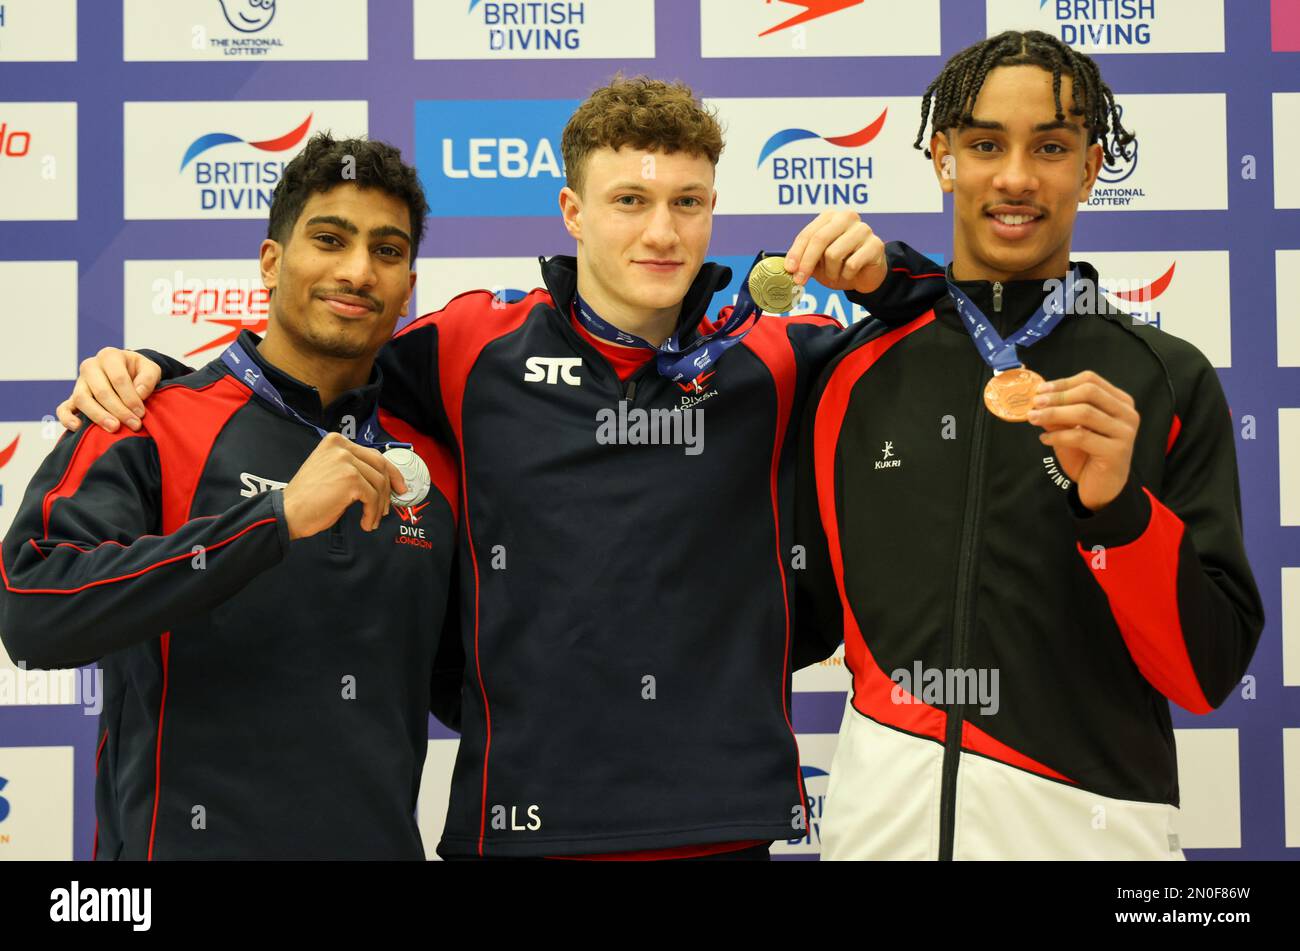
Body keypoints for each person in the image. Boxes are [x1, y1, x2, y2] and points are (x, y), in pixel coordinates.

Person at [57, 76, 940, 860]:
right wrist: (151, 375)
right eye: (629, 200)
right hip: (519, 825)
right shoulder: (471, 345)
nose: (663, 232)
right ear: (572, 211)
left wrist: (891, 276)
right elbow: (302, 373)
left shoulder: (774, 355)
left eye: (688, 202)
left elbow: (944, 357)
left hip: (724, 820)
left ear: (714, 208)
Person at [795, 30, 1265, 859]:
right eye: (984, 145)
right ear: (942, 159)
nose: (1016, 178)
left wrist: (1119, 513)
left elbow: (1205, 673)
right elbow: (792, 621)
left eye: (1050, 147)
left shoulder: (1165, 378)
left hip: (1095, 837)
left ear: (1089, 168)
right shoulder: (851, 373)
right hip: (880, 834)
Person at [0, 134, 460, 859]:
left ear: (409, 285)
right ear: (271, 262)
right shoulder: (146, 417)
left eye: (388, 250)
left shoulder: (431, 465)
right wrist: (272, 521)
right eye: (330, 238)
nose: (357, 270)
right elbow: (33, 610)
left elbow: (478, 687)